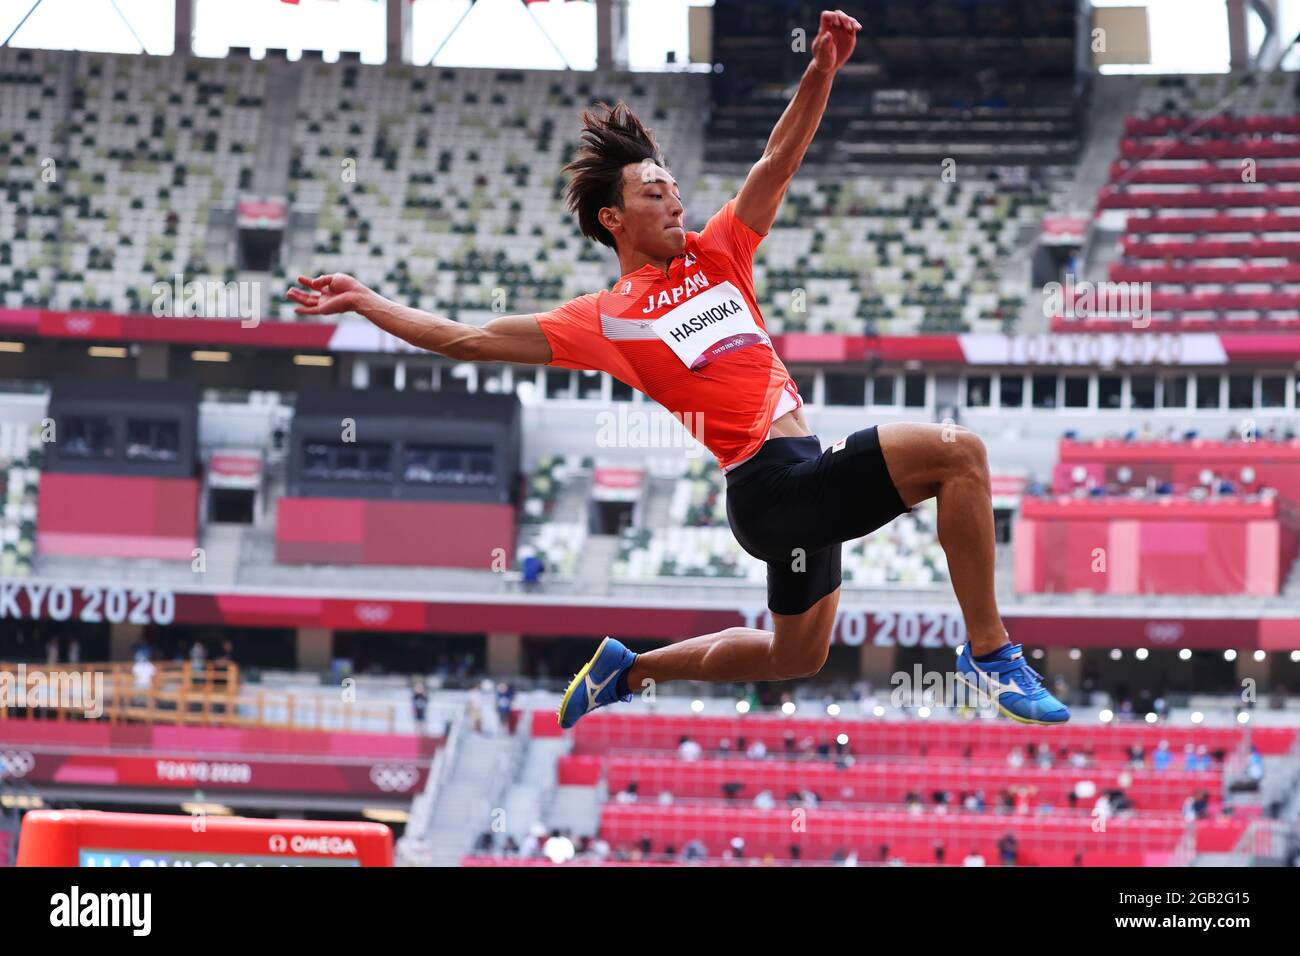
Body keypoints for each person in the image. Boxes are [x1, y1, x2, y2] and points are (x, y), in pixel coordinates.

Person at [286, 9, 1067, 732]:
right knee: (957, 452)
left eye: (674, 187)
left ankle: (628, 671)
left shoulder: (718, 252)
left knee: (795, 657)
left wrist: (822, 69)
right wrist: (366, 301)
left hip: (799, 476)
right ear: (613, 220)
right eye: (653, 193)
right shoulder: (603, 317)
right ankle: (990, 653)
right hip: (768, 487)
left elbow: (777, 160)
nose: (674, 201)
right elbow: (465, 339)